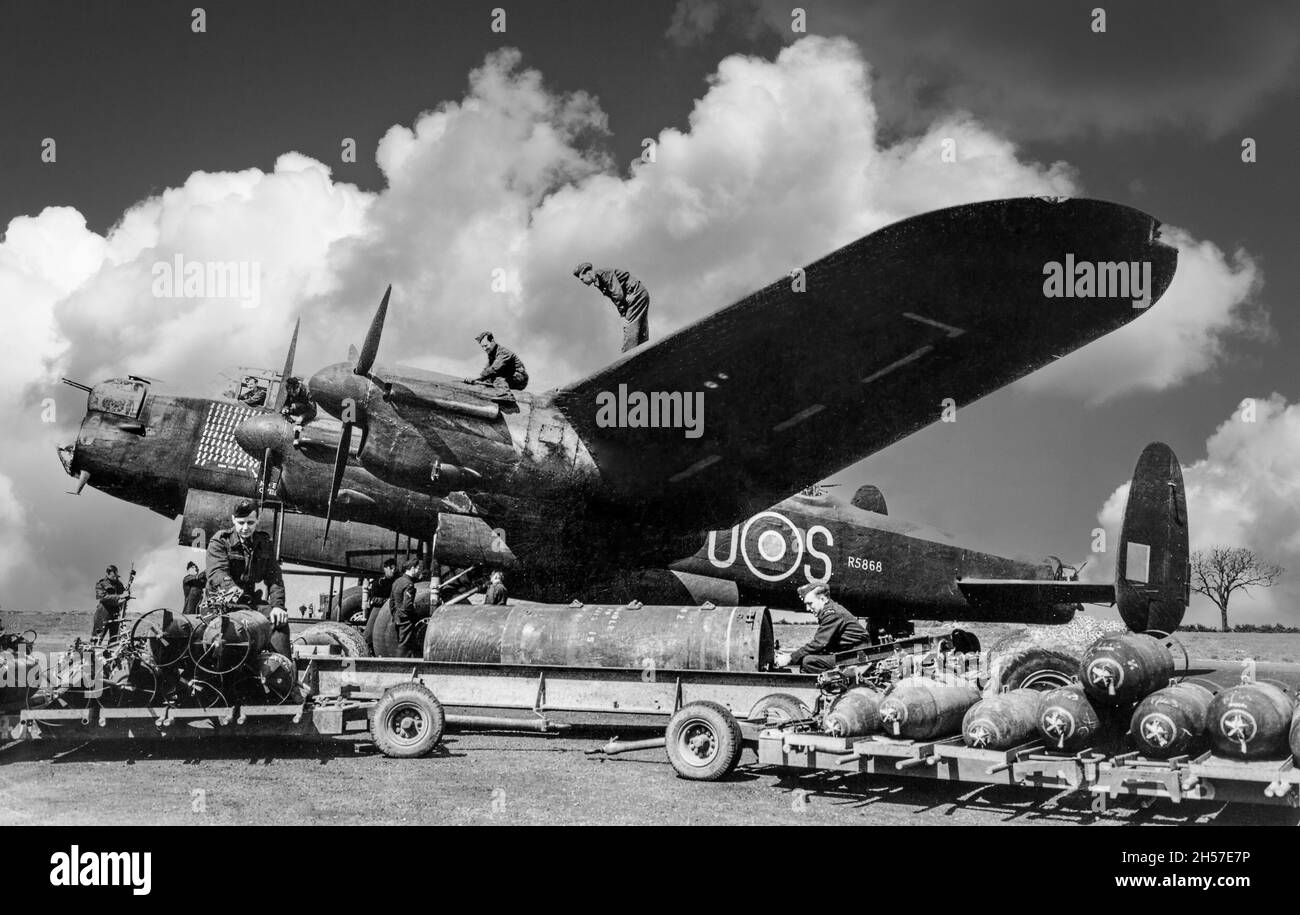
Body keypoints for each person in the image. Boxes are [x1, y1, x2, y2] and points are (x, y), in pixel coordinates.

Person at [205, 499, 291, 656]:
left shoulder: (263, 543)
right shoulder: (220, 541)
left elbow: (275, 578)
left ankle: (281, 671)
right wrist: (239, 597)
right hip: (221, 603)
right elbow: (218, 574)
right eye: (241, 522)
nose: (245, 528)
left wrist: (278, 606)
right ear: (233, 520)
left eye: (250, 523)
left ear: (258, 520)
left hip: (249, 603)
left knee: (279, 621)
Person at [774, 583, 871, 673]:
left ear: (823, 599)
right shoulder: (832, 611)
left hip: (856, 657)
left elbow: (818, 644)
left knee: (809, 661)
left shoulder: (832, 614)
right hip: (852, 654)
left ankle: (835, 687)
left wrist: (790, 658)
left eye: (810, 603)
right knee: (809, 658)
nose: (808, 608)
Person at [573, 262, 650, 353]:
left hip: (635, 294)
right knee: (640, 327)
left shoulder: (605, 274)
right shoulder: (599, 281)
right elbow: (615, 296)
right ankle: (643, 350)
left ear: (588, 273)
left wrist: (623, 313)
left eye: (582, 279)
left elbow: (618, 294)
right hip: (637, 294)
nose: (583, 282)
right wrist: (624, 312)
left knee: (630, 326)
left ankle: (628, 354)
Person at [367, 556, 425, 657]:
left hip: (397, 618)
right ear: (412, 568)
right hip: (406, 620)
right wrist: (411, 617)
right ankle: (400, 668)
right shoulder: (409, 584)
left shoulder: (397, 582)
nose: (418, 571)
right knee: (404, 646)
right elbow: (407, 606)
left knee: (402, 644)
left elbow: (391, 602)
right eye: (417, 569)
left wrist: (395, 615)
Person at [463, 331, 529, 391]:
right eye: (482, 347)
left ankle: (506, 398)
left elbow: (494, 369)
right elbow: (487, 369)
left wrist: (477, 378)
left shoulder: (503, 352)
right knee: (487, 380)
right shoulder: (492, 354)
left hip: (519, 378)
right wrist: (477, 379)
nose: (484, 349)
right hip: (508, 376)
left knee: (497, 379)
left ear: (492, 341)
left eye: (486, 346)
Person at [91, 565, 127, 642]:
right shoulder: (101, 584)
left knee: (114, 640)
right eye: (113, 575)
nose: (115, 577)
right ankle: (87, 654)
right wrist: (118, 597)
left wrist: (127, 594)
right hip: (103, 613)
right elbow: (102, 597)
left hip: (115, 614)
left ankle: (109, 653)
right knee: (96, 640)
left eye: (116, 575)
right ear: (108, 574)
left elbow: (124, 594)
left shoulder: (119, 584)